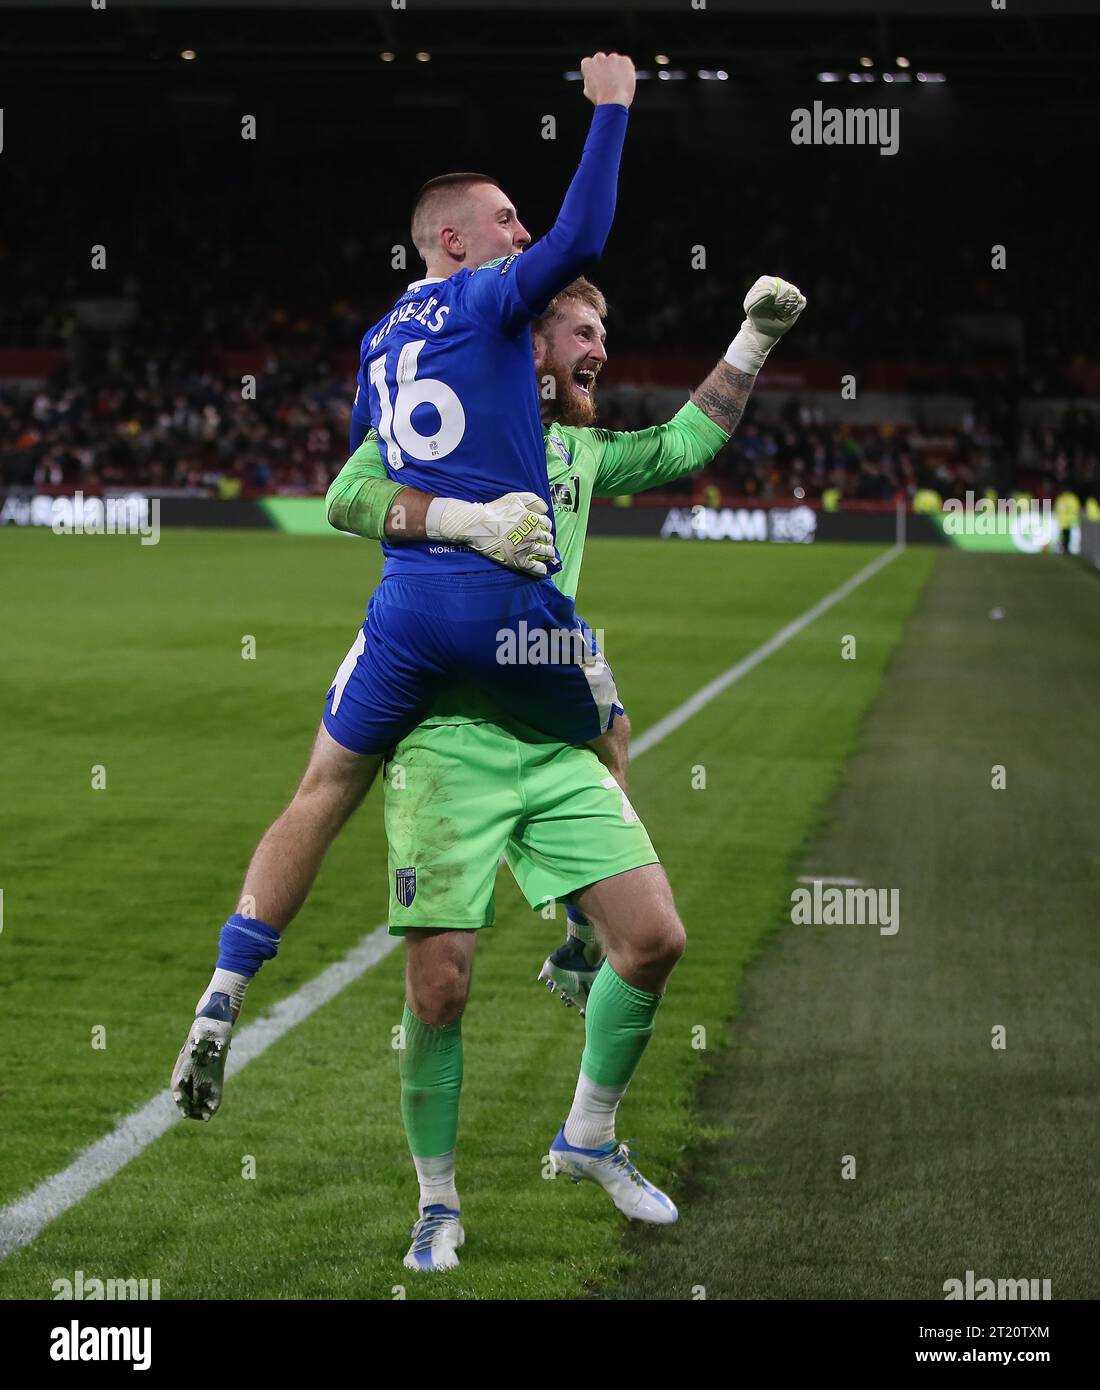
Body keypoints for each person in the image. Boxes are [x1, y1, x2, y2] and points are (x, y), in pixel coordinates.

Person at [327, 273, 807, 1270]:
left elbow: (684, 442)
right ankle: (437, 1203)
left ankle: (586, 1134)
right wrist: (458, 522)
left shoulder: (583, 447)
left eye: (604, 331)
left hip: (546, 729)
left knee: (654, 937)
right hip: (447, 732)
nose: (600, 349)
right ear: (529, 343)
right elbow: (346, 492)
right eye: (583, 332)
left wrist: (752, 339)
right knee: (439, 989)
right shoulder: (441, 417)